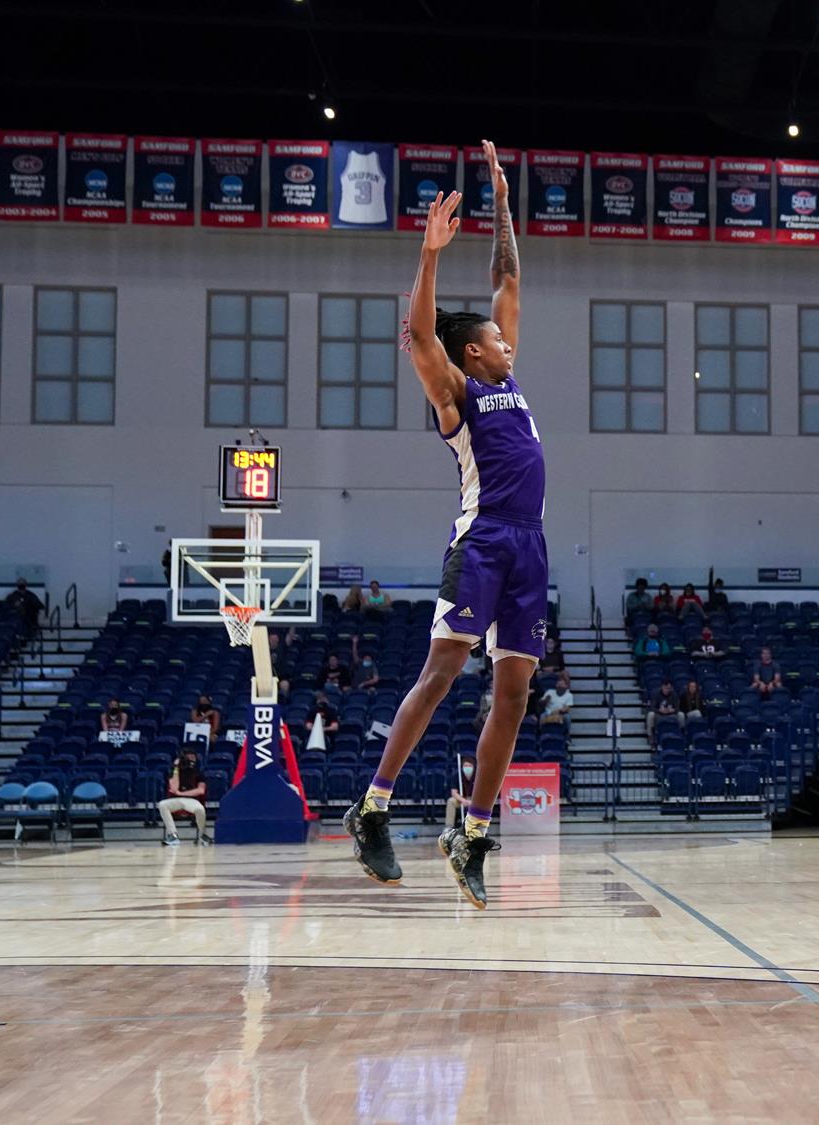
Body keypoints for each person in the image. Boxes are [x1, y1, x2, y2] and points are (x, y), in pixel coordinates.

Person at [343, 148, 544, 909]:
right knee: (442, 671)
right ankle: (373, 808)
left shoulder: (511, 379)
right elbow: (420, 335)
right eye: (496, 338)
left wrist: (500, 199)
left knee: (517, 693)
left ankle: (475, 832)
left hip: (532, 547)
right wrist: (427, 256)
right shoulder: (456, 391)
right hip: (484, 538)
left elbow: (509, 280)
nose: (508, 341)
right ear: (472, 350)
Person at [157, 747, 211, 846]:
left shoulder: (199, 773)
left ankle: (202, 835)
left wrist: (182, 793)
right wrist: (176, 768)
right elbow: (174, 788)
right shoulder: (173, 772)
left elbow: (200, 790)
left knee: (200, 809)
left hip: (191, 800)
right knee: (162, 805)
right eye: (188, 758)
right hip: (176, 800)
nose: (191, 760)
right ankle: (173, 835)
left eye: (193, 758)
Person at [445, 755, 477, 831]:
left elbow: (482, 792)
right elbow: (454, 793)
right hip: (461, 798)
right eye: (465, 765)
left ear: (473, 767)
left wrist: (473, 801)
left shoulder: (478, 776)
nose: (467, 767)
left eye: (470, 766)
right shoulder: (457, 775)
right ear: (462, 767)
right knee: (451, 801)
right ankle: (448, 827)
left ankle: (478, 827)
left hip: (475, 799)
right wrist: (463, 800)